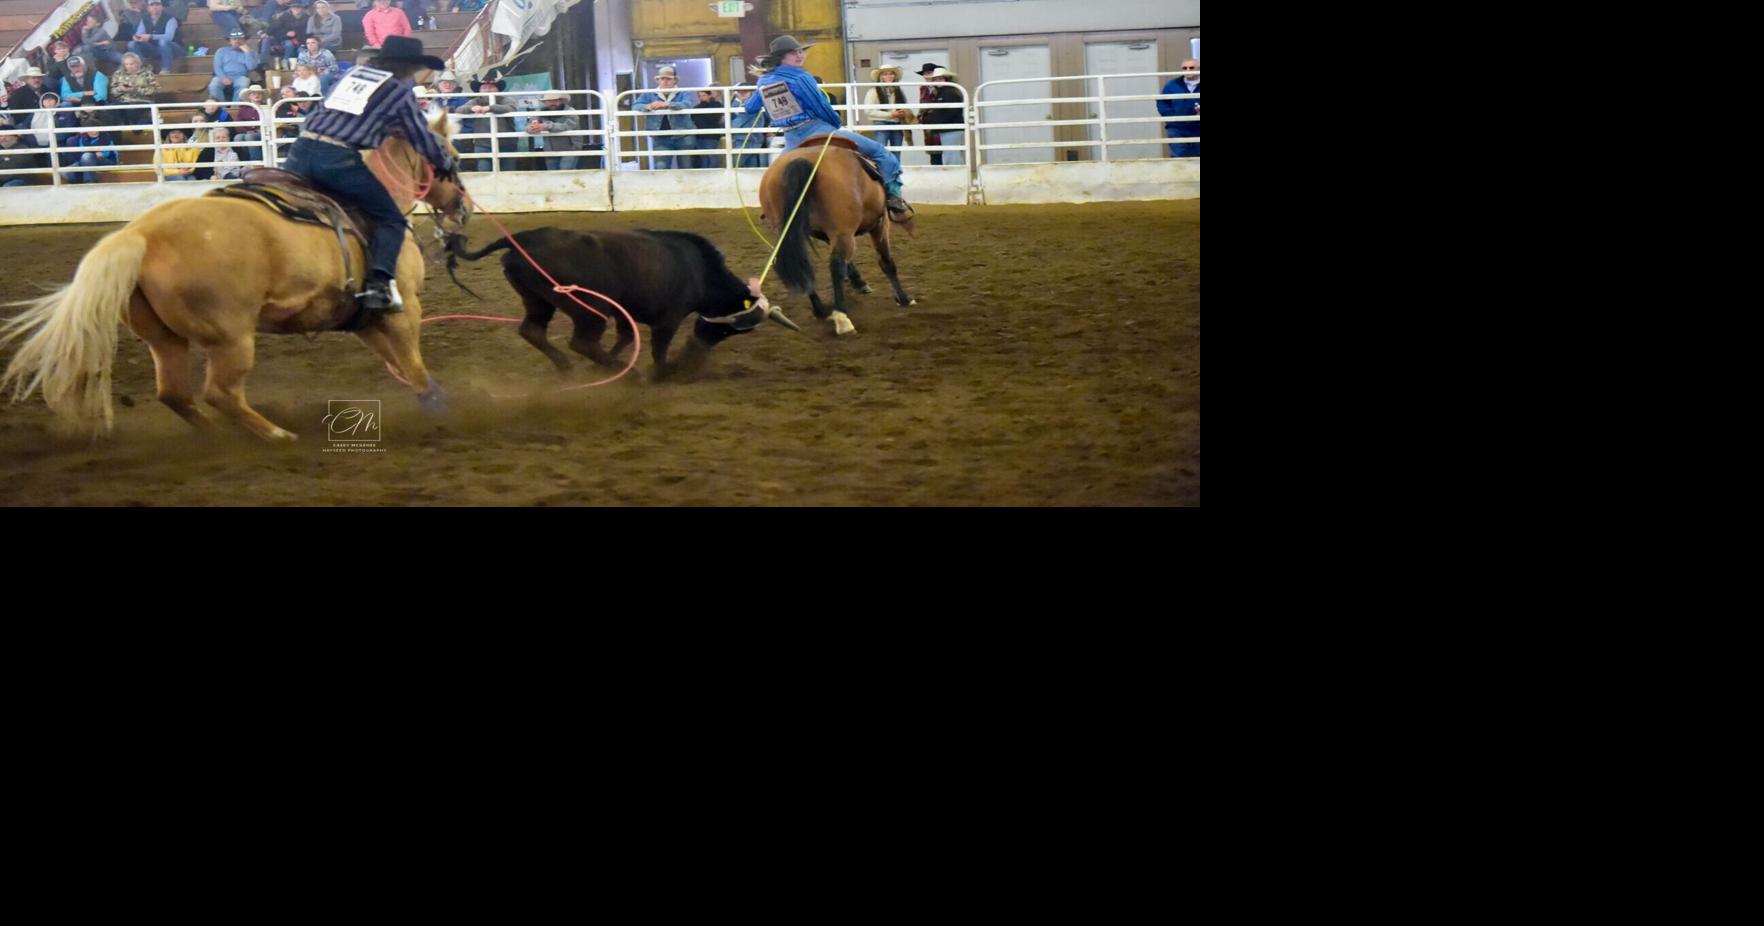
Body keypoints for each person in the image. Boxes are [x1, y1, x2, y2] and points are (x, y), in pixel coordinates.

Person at [279, 34, 456, 313]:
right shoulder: (399, 90)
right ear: (407, 65)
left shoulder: (353, 75)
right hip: (337, 159)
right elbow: (420, 135)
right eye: (414, 67)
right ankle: (379, 285)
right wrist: (443, 161)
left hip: (300, 151)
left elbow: (333, 114)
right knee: (392, 219)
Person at [743, 34, 910, 218]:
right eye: (793, 53)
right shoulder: (801, 77)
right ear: (782, 56)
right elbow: (820, 106)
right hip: (817, 129)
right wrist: (835, 123)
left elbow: (750, 108)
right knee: (879, 152)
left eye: (800, 51)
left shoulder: (764, 81)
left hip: (791, 138)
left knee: (777, 174)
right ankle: (894, 196)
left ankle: (773, 208)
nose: (800, 55)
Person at [631, 65, 692, 169]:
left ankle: (687, 185)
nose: (665, 81)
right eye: (662, 78)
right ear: (658, 80)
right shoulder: (649, 94)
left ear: (674, 81)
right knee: (661, 167)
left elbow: (688, 104)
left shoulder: (683, 92)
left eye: (668, 79)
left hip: (683, 135)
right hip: (661, 137)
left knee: (686, 166)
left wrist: (667, 104)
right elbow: (635, 105)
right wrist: (648, 106)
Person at [1155, 59, 1199, 158]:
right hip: (1177, 127)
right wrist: (1172, 117)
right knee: (1178, 155)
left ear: (1198, 69)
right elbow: (1162, 102)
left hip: (1198, 127)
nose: (1188, 70)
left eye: (1191, 68)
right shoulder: (1172, 84)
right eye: (1184, 68)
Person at [861, 64, 908, 151]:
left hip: (897, 124)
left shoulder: (899, 91)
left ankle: (895, 165)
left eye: (891, 74)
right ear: (880, 77)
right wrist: (891, 114)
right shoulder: (873, 92)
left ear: (895, 76)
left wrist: (903, 113)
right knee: (881, 151)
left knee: (896, 152)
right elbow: (868, 111)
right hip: (881, 124)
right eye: (885, 74)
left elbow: (905, 106)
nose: (889, 76)